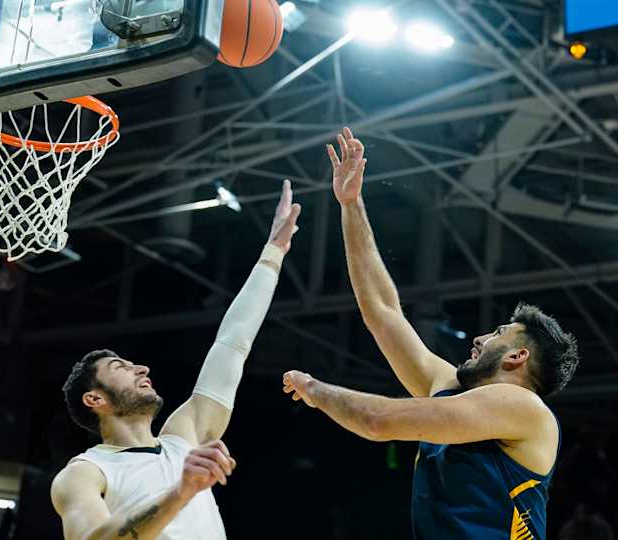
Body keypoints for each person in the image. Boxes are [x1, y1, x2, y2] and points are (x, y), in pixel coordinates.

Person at [282, 128, 579, 540]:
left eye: (497, 333)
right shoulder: (451, 387)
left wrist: (316, 390)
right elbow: (383, 311)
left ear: (517, 358)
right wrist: (352, 205)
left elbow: (377, 421)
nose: (479, 339)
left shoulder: (523, 408)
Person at [52, 181, 301, 540]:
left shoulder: (184, 436)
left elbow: (232, 344)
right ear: (95, 399)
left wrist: (273, 252)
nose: (141, 368)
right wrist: (181, 491)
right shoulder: (86, 472)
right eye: (121, 368)